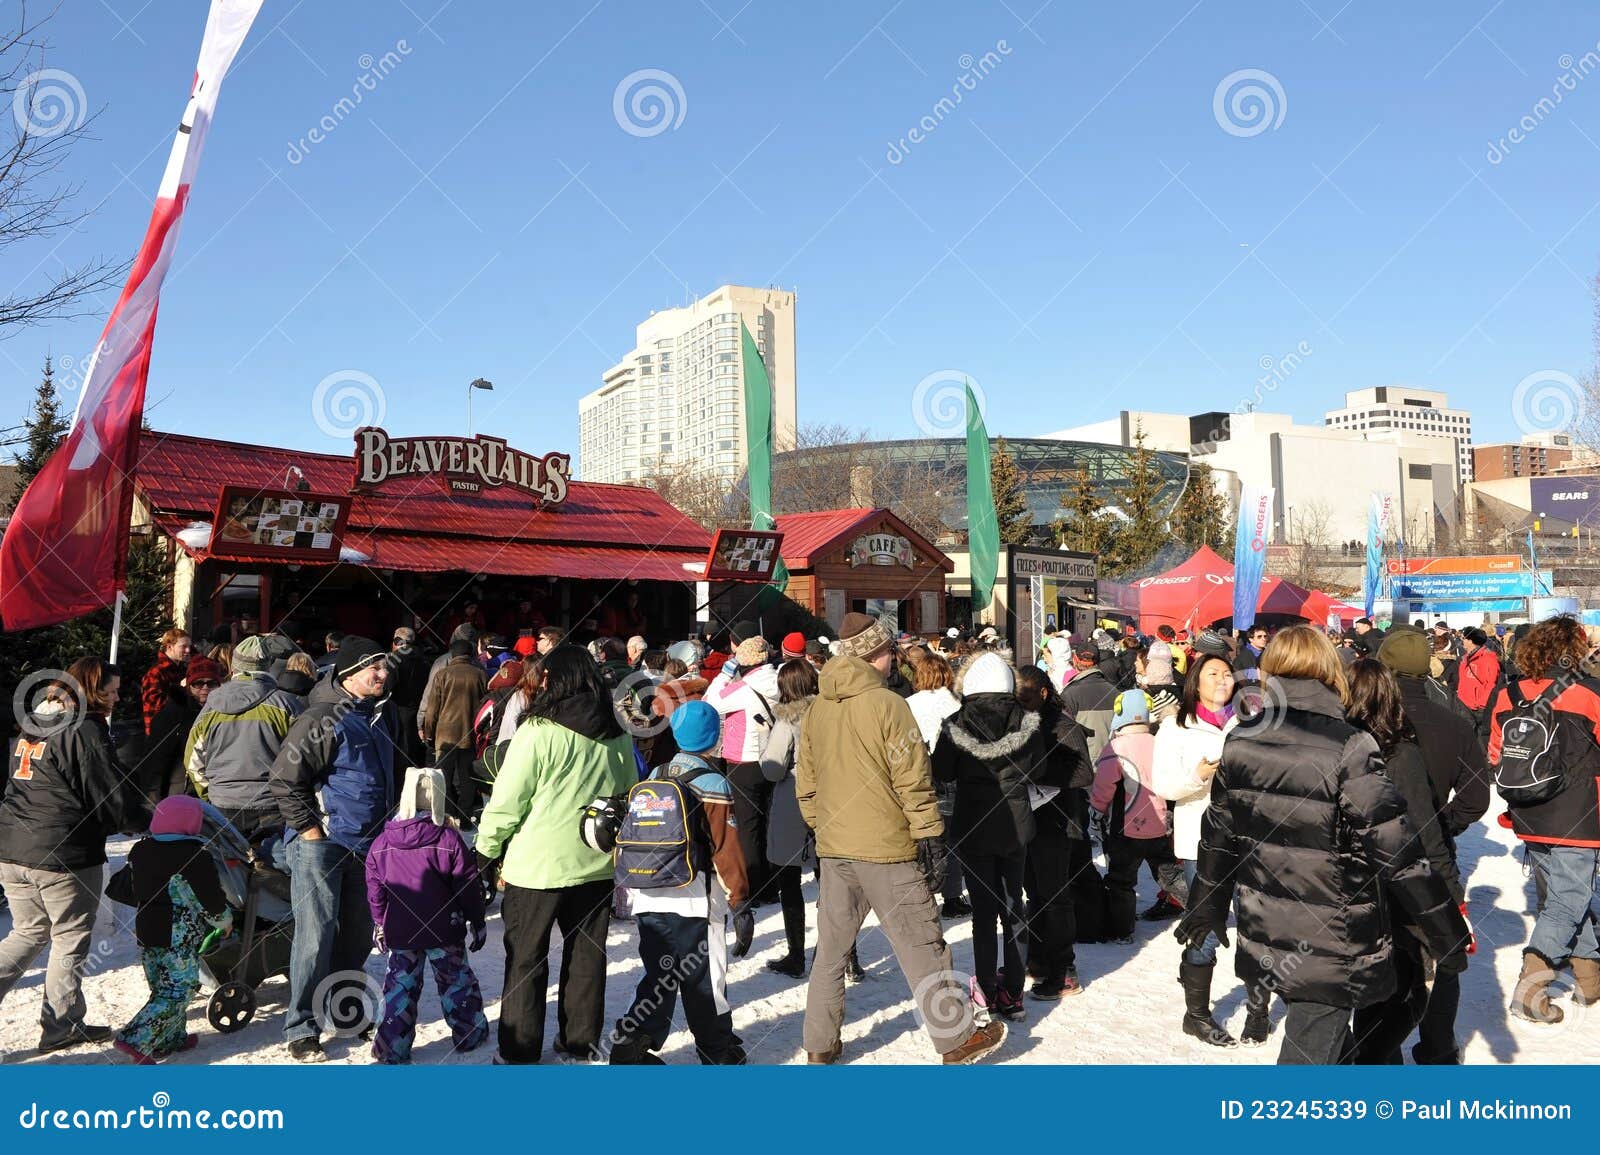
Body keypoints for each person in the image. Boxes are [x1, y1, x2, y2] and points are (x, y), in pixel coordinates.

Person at [1184, 627, 1470, 1064]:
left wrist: (1206, 905)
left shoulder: (1242, 739)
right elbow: (1400, 853)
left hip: (1270, 924)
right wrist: (1447, 932)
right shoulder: (1348, 744)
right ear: (1328, 669)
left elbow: (1218, 835)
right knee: (1310, 1054)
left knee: (1327, 1041)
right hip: (1332, 936)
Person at [797, 612, 1005, 1065]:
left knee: (831, 954)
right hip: (887, 850)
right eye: (890, 651)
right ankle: (955, 1040)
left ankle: (819, 1045)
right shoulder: (890, 705)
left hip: (836, 849)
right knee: (923, 948)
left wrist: (823, 826)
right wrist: (930, 836)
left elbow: (806, 784)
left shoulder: (816, 708)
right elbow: (914, 781)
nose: (895, 659)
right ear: (878, 654)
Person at [476, 645, 637, 1064]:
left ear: (556, 679)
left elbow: (508, 801)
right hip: (595, 862)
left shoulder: (538, 731)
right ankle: (579, 1040)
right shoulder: (618, 733)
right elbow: (625, 794)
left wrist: (485, 850)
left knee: (526, 959)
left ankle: (519, 1049)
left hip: (537, 867)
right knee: (587, 956)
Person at [1, 660, 147, 1053]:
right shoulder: (82, 729)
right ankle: (61, 1024)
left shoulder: (33, 723)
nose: (117, 698)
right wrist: (141, 819)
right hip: (63, 852)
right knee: (69, 936)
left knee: (28, 932)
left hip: (14, 847)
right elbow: (106, 790)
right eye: (111, 691)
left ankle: (61, 1021)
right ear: (91, 689)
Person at [270, 636, 400, 1062]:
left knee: (357, 936)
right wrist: (310, 830)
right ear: (348, 674)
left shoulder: (377, 717)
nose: (382, 674)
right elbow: (286, 780)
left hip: (367, 844)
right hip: (322, 845)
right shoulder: (321, 718)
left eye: (383, 666)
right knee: (315, 937)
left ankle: (344, 1011)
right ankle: (301, 1027)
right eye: (373, 668)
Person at [608, 702, 753, 1064]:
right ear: (713, 737)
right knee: (706, 976)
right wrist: (740, 900)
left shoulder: (655, 774)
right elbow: (725, 849)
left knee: (658, 975)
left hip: (648, 892)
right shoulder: (713, 783)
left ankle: (630, 1046)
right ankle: (717, 1050)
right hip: (694, 898)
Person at [1343, 659, 1467, 1064]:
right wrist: (1449, 897)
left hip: (1353, 891)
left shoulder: (1337, 749)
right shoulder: (1400, 755)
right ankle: (1370, 1062)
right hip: (1396, 892)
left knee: (1375, 996)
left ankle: (1375, 1064)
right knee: (1405, 993)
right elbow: (1427, 837)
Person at [1487, 616, 1600, 1023]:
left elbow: (1496, 754)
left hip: (1529, 809)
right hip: (1581, 814)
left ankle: (1589, 979)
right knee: (1569, 898)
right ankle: (1531, 991)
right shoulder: (1590, 693)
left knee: (1568, 894)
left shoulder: (1509, 693)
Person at [932, 653, 1054, 1020]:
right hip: (1016, 824)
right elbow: (1041, 768)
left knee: (983, 913)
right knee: (1013, 906)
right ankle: (1013, 993)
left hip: (972, 822)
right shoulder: (1028, 721)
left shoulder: (955, 724)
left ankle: (985, 988)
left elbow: (941, 771)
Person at [1152, 651, 1249, 1047]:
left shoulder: (1248, 722)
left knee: (1255, 923)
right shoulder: (1176, 727)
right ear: (1196, 682)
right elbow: (1164, 787)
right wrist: (1198, 776)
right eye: (1213, 673)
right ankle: (1197, 1013)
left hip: (1247, 840)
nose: (1223, 679)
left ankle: (1259, 1007)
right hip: (1201, 842)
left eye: (1227, 673)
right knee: (1207, 925)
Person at [365, 766, 490, 1064]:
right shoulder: (448, 840)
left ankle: (392, 1047)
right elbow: (468, 885)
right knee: (456, 981)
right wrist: (478, 919)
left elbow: (375, 889)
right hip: (445, 929)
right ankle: (469, 1032)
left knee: (400, 988)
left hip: (400, 930)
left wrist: (380, 922)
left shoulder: (381, 844)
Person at [112, 795, 232, 1065]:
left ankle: (170, 1037)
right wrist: (224, 922)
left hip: (146, 929)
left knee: (161, 985)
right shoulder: (195, 855)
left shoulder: (141, 850)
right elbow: (208, 898)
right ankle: (135, 1038)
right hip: (177, 934)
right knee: (181, 988)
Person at [1013, 665, 1097, 996]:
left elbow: (1083, 774)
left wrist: (1035, 772)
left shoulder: (1063, 726)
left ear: (1044, 693)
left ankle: (1064, 969)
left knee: (1055, 898)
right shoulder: (1024, 723)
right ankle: (1039, 959)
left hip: (1060, 826)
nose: (1020, 702)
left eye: (1025, 696)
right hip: (1031, 823)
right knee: (1034, 894)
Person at [758, 659, 836, 979]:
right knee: (831, 882)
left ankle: (796, 955)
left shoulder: (786, 721)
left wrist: (765, 736)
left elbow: (773, 768)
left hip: (794, 799)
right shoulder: (832, 713)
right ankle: (844, 954)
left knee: (789, 880)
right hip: (831, 798)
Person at [184, 633, 304, 838]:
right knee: (271, 868)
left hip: (223, 804)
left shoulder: (210, 708)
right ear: (268, 666)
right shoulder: (286, 704)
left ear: (235, 666)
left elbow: (193, 762)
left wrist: (210, 793)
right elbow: (304, 757)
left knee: (231, 866)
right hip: (273, 805)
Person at [1094, 690, 1186, 944]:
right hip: (1159, 823)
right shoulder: (1158, 741)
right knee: (1169, 873)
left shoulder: (1115, 747)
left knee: (1121, 881)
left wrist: (1097, 809)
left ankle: (1123, 931)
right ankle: (1202, 911)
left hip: (1125, 829)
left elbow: (1104, 787)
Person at [708, 635, 780, 906]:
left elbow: (711, 701)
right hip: (772, 759)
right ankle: (772, 886)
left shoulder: (745, 687)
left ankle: (755, 887)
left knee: (747, 828)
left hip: (744, 760)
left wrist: (725, 673)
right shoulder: (776, 679)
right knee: (766, 824)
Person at [908, 653, 968, 919]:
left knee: (923, 835)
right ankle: (952, 897)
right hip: (951, 774)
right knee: (951, 840)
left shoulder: (907, 704)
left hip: (917, 774)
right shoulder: (956, 704)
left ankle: (923, 892)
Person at [421, 638, 489, 824]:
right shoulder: (480, 674)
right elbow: (486, 705)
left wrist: (428, 733)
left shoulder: (442, 674)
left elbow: (433, 708)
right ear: (470, 655)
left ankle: (447, 814)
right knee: (467, 778)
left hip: (445, 735)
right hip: (470, 733)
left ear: (453, 655)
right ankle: (465, 815)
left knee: (443, 776)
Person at [140, 655, 223, 803]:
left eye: (211, 683)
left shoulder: (222, 713)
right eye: (198, 683)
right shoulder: (171, 715)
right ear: (189, 686)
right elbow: (155, 764)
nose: (205, 688)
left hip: (213, 794)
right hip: (178, 795)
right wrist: (153, 805)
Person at [1059, 642, 1117, 760]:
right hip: (1112, 760)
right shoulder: (1115, 691)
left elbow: (1064, 734)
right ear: (1099, 663)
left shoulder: (1069, 693)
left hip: (1083, 763)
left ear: (1075, 661)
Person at [386, 627, 431, 771]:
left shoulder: (393, 659)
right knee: (415, 746)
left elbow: (389, 686)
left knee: (401, 747)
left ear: (396, 641)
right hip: (419, 707)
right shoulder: (424, 659)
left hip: (399, 708)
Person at [141, 628, 193, 736]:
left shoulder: (181, 669)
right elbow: (154, 705)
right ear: (169, 647)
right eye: (183, 646)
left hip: (178, 730)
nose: (188, 650)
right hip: (160, 734)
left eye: (189, 647)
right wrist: (180, 690)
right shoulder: (156, 672)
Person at [1455, 626, 1501, 736]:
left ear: (1471, 641)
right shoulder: (1466, 658)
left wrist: (1482, 705)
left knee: (1474, 737)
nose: (1463, 641)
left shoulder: (1488, 658)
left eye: (1464, 638)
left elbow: (1491, 684)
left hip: (1477, 708)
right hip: (1463, 704)